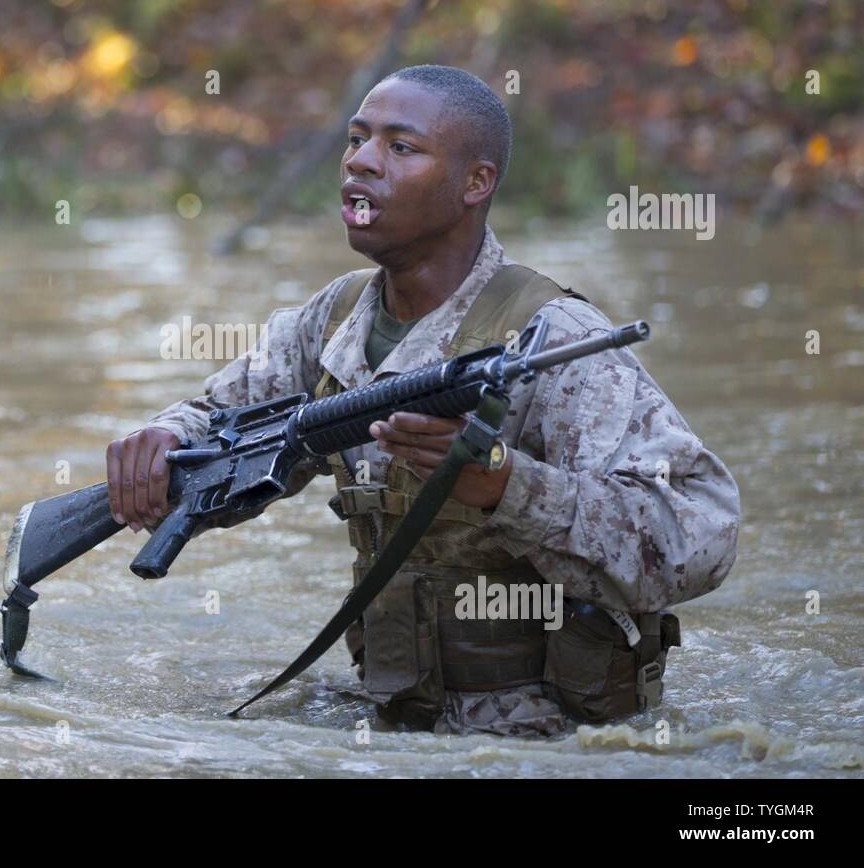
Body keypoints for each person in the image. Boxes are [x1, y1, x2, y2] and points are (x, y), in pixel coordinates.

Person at [106, 65, 741, 737]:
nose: (360, 162)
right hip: (393, 714)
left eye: (400, 148)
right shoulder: (336, 318)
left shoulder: (555, 342)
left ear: (476, 182)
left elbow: (703, 537)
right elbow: (220, 415)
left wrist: (506, 488)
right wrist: (165, 437)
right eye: (356, 140)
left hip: (553, 737)